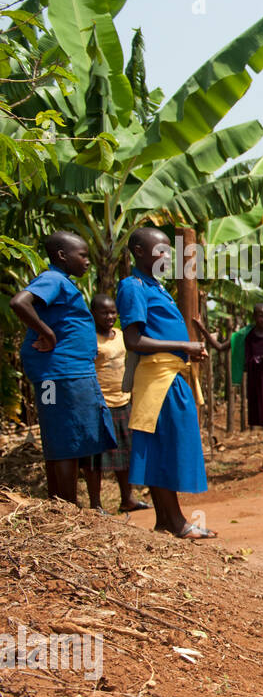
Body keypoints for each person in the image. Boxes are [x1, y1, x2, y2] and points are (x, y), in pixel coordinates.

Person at [116, 226, 215, 540]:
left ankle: (167, 520)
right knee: (162, 447)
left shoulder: (156, 287)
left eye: (169, 252)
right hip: (157, 380)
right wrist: (183, 347)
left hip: (170, 375)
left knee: (168, 445)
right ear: (139, 252)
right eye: (159, 251)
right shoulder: (133, 287)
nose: (166, 257)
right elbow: (133, 340)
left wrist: (184, 352)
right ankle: (175, 521)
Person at [9, 231, 116, 504]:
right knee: (68, 439)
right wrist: (49, 334)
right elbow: (19, 302)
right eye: (82, 255)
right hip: (65, 375)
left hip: (50, 376)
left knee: (56, 434)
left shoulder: (60, 282)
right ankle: (68, 506)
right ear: (61, 256)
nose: (88, 262)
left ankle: (58, 501)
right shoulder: (53, 279)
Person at [195, 303, 263, 472]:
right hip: (257, 383)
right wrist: (202, 329)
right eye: (262, 316)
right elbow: (219, 347)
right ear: (254, 317)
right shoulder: (244, 335)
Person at [84, 293, 148, 513]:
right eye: (104, 312)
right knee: (96, 459)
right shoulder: (90, 339)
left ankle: (127, 498)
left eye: (113, 312)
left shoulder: (121, 336)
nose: (109, 316)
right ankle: (95, 504)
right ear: (93, 314)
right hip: (100, 404)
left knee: (126, 454)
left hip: (123, 401)